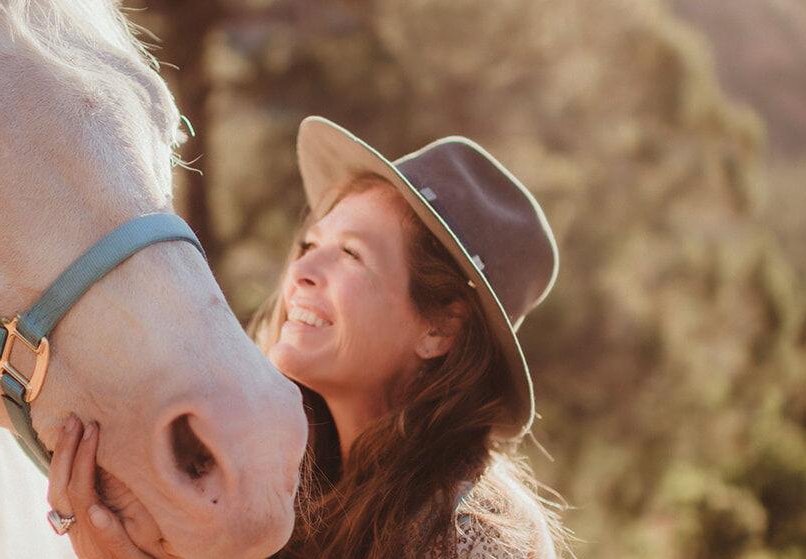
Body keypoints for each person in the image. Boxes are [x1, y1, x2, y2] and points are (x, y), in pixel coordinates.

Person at [47, 116, 570, 558]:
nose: (301, 269)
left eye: (350, 254)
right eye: (310, 243)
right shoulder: (255, 475)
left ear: (439, 328)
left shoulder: (479, 539)